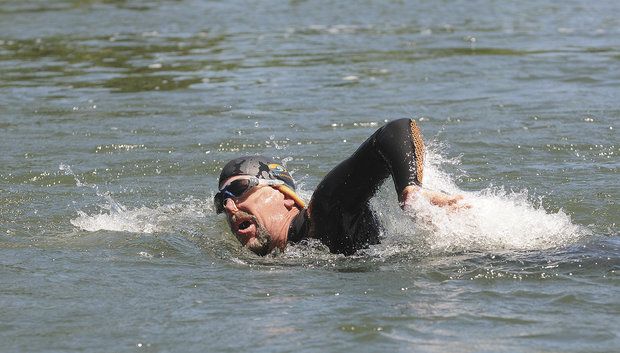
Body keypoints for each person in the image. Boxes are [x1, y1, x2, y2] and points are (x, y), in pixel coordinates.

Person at [213, 118, 465, 256]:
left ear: (286, 196)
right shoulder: (286, 256)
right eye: (220, 201)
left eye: (239, 190)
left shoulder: (326, 210)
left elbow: (397, 130)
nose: (228, 206)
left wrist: (410, 191)